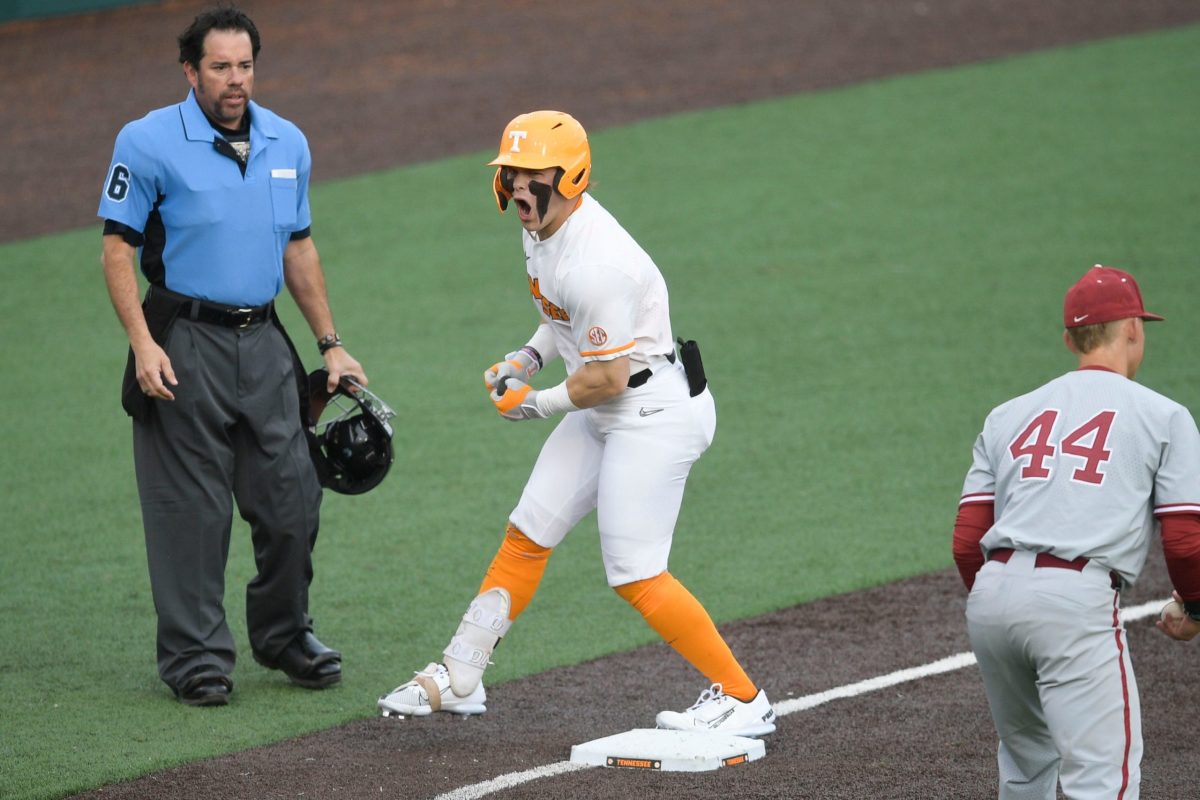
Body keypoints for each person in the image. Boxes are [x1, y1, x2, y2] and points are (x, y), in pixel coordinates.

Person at [377, 110, 774, 737]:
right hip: (609, 404)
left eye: (531, 174)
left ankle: (745, 699)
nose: (516, 186)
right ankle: (461, 675)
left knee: (636, 574)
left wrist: (534, 403)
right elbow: (558, 316)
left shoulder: (597, 264)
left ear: (570, 177)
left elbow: (607, 378)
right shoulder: (543, 230)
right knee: (527, 531)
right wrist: (526, 358)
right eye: (510, 172)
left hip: (652, 414)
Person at [98, 6, 365, 706]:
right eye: (220, 67)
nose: (235, 79)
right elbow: (117, 248)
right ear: (191, 71)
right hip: (183, 341)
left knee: (293, 497)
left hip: (265, 341)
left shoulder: (287, 142)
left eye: (245, 65)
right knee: (191, 511)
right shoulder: (147, 141)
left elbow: (298, 247)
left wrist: (331, 344)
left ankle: (285, 635)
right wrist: (142, 343)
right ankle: (196, 660)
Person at [952, 265, 1200, 798]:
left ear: (1071, 339)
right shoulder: (1165, 416)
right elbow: (1184, 541)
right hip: (1073, 603)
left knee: (1025, 768)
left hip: (991, 600)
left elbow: (968, 539)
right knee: (1103, 779)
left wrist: (1007, 601)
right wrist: (1197, 609)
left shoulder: (1006, 414)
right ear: (1132, 328)